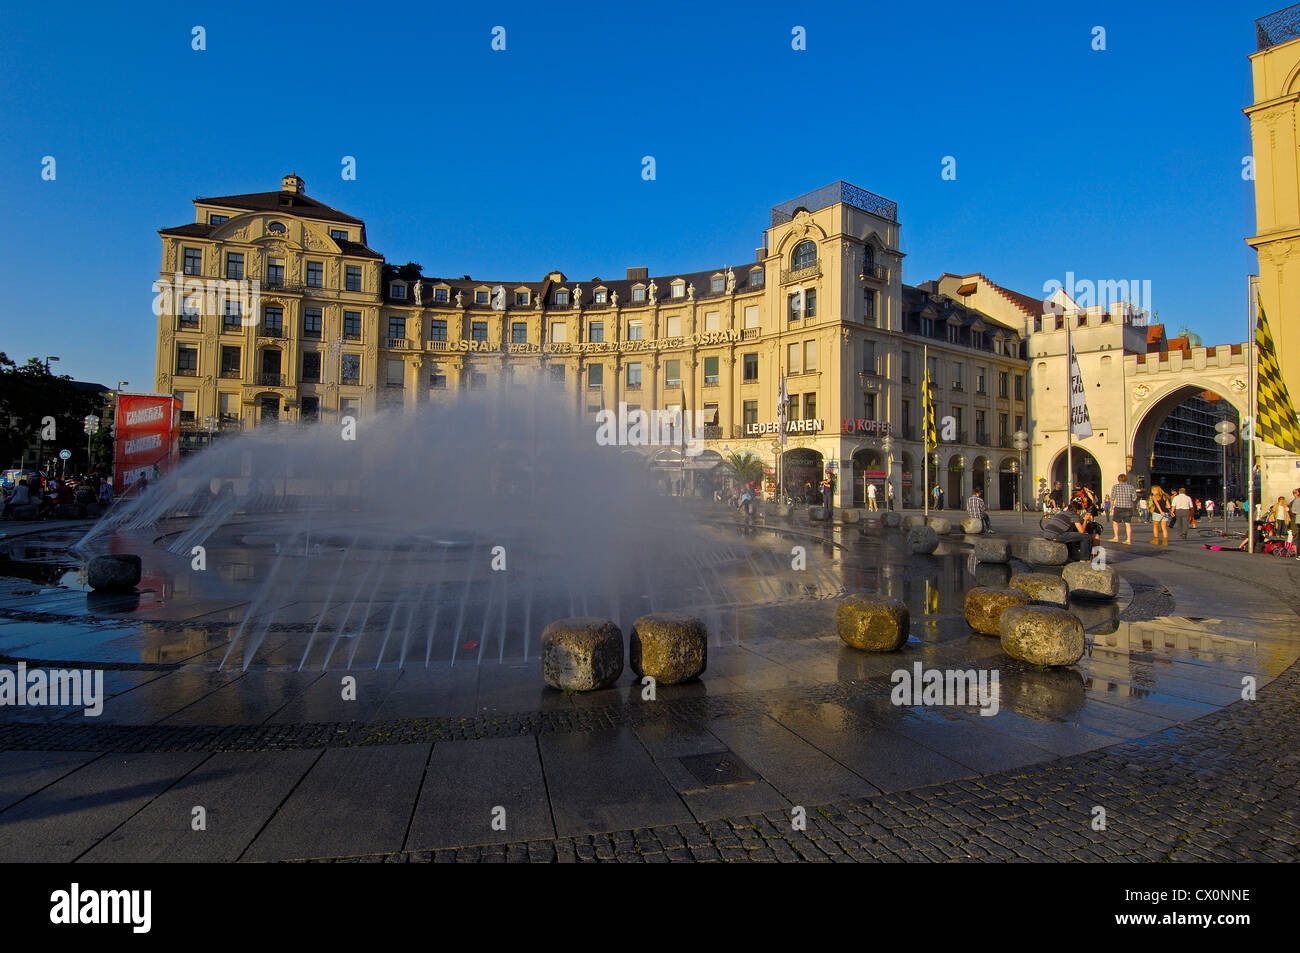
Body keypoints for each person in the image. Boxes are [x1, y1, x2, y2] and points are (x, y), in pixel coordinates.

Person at [1108, 473, 1136, 545]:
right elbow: (1134, 498)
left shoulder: (1115, 487)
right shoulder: (1131, 487)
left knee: (1115, 522)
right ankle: (1128, 539)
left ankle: (1116, 537)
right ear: (1126, 479)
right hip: (1128, 507)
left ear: (1118, 479)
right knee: (1128, 524)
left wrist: (1111, 507)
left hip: (1118, 507)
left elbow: (1112, 498)